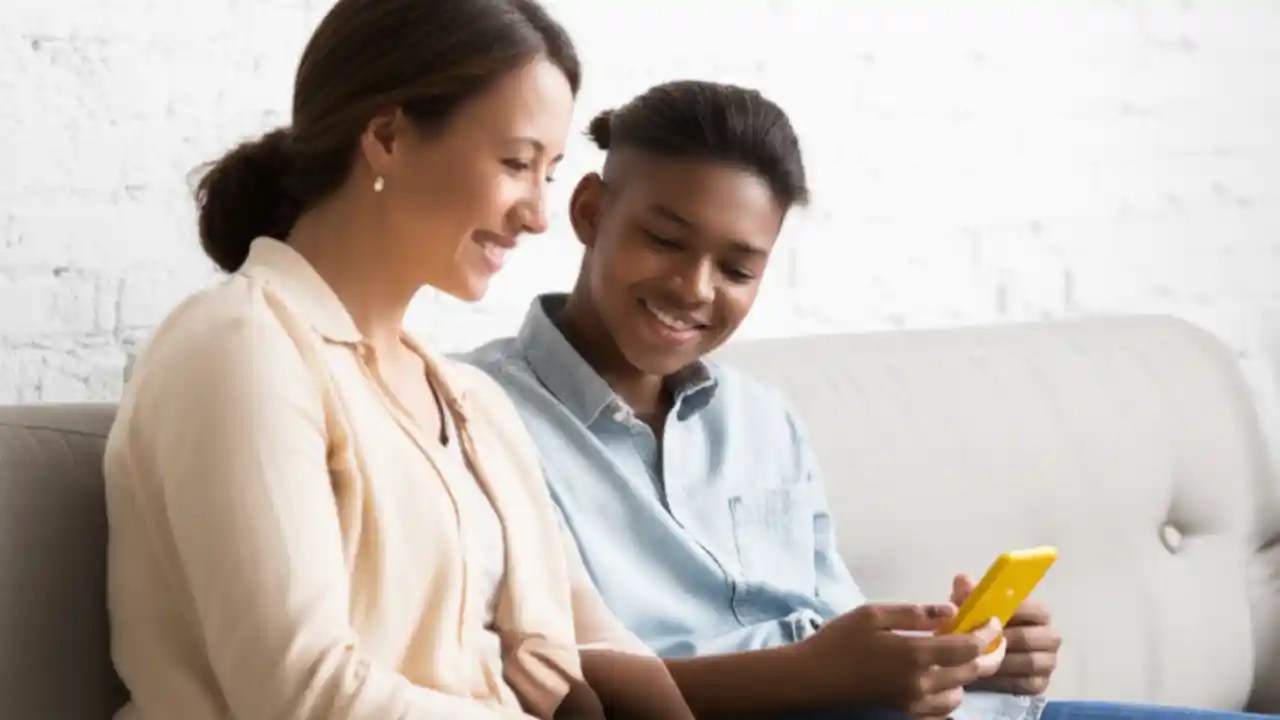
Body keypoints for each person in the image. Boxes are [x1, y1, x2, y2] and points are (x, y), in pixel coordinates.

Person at [462, 80, 1274, 720]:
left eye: (739, 269)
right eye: (665, 241)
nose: (694, 288)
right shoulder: (474, 413)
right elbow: (543, 687)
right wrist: (810, 675)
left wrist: (960, 655)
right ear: (590, 211)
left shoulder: (763, 422)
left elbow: (841, 634)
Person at [103, 2, 692, 719]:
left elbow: (598, 641)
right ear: (387, 136)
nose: (538, 213)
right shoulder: (240, 349)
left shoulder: (473, 402)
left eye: (550, 172)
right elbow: (302, 695)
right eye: (515, 163)